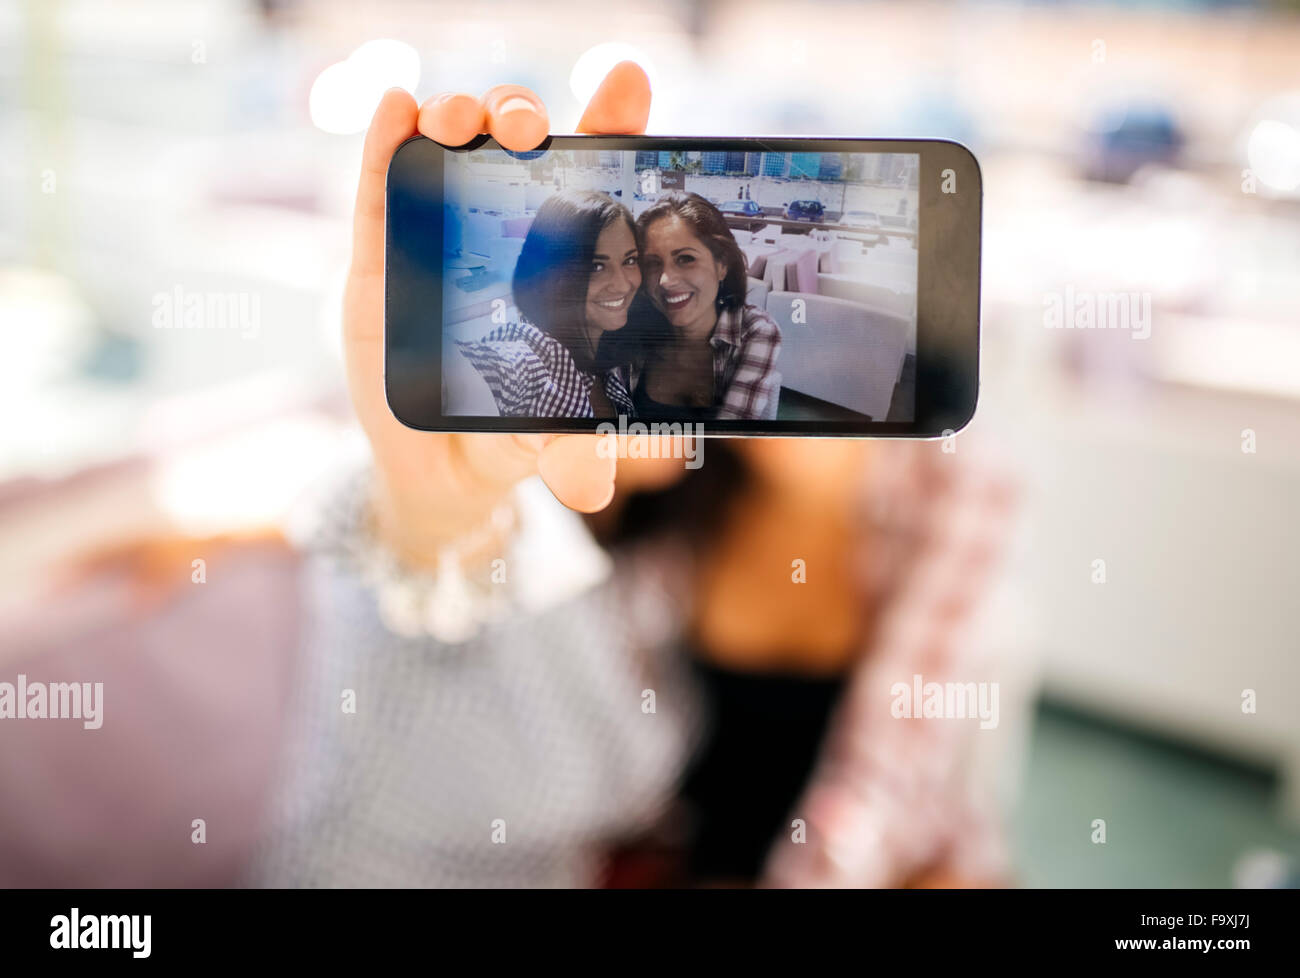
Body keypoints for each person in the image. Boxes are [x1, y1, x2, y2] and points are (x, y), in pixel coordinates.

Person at [247, 64, 1019, 888]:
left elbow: (907, 782)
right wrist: (432, 509)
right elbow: (423, 558)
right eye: (627, 276)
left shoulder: (904, 495)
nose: (646, 294)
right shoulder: (602, 485)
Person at [456, 189, 642, 418]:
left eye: (630, 260)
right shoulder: (535, 357)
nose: (622, 285)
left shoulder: (612, 366)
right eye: (596, 266)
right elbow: (475, 369)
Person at [627, 191, 782, 420]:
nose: (665, 280)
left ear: (722, 265)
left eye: (686, 259)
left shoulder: (753, 330)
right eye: (652, 263)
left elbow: (728, 442)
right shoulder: (634, 328)